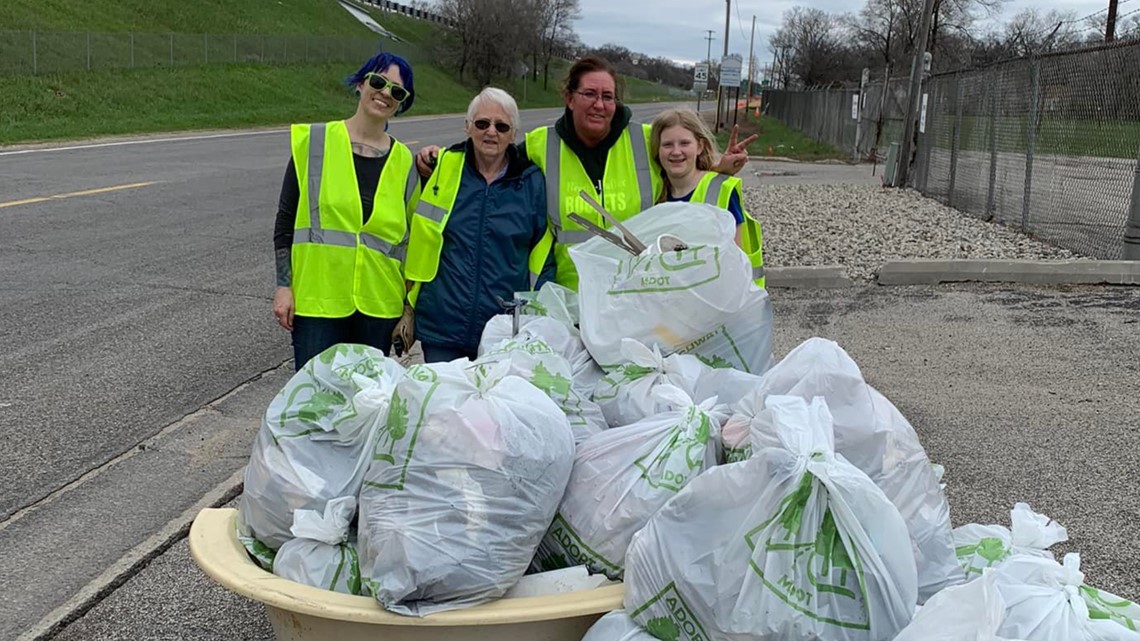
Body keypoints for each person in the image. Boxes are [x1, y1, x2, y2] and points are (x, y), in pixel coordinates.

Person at [415, 56, 757, 291]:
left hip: (638, 295)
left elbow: (680, 165)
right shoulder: (539, 145)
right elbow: (491, 150)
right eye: (590, 94)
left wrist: (715, 166)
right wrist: (441, 158)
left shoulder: (644, 138)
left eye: (608, 96)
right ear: (569, 97)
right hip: (569, 298)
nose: (600, 104)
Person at [272, 52, 421, 371]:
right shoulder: (314, 142)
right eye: (378, 82)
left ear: (402, 102)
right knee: (314, 406)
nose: (385, 93)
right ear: (360, 84)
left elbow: (412, 242)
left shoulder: (405, 162)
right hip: (318, 303)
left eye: (397, 91)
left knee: (365, 408)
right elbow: (286, 221)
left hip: (379, 307)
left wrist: (408, 307)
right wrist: (284, 285)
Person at [403, 87, 554, 363]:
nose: (491, 132)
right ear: (467, 127)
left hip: (503, 331)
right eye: (482, 123)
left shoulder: (531, 182)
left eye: (502, 126)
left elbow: (543, 253)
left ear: (514, 134)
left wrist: (538, 320)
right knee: (443, 405)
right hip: (442, 327)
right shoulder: (442, 167)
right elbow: (409, 225)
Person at [650, 107, 765, 287]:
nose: (676, 151)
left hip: (716, 304)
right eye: (667, 144)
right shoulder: (655, 196)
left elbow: (734, 262)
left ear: (700, 147)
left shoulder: (721, 190)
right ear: (658, 150)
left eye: (684, 143)